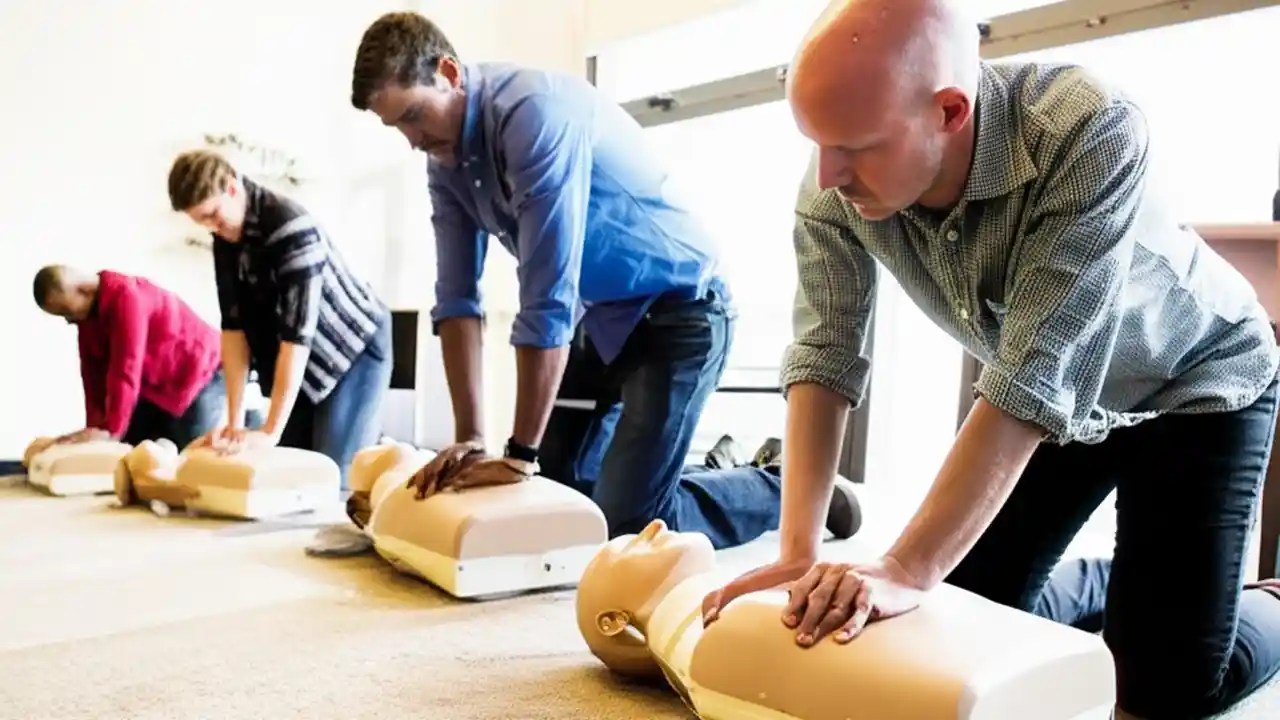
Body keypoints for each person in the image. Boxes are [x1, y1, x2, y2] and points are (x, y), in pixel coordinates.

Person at [700, 1, 1280, 717]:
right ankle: (1119, 582)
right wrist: (798, 548)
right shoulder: (835, 183)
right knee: (953, 620)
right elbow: (824, 354)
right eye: (819, 145)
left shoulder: (1088, 127)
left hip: (1195, 388)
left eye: (856, 147)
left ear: (949, 110)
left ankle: (1264, 597)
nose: (828, 176)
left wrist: (908, 566)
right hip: (1058, 401)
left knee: (1162, 692)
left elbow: (1034, 375)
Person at [347, 11, 859, 550]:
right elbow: (455, 301)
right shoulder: (444, 161)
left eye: (413, 116)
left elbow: (547, 297)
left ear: (448, 73)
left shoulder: (531, 114)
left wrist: (518, 454)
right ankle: (711, 467)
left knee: (624, 528)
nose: (411, 139)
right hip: (606, 320)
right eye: (397, 127)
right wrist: (471, 440)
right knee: (559, 504)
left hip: (682, 313)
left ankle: (789, 484)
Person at [167, 149, 393, 488]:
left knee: (332, 477)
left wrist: (271, 430)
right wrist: (234, 422)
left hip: (350, 352)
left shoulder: (289, 227)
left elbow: (296, 337)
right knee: (285, 477)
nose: (211, 227)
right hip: (296, 359)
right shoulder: (225, 239)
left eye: (213, 215)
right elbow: (233, 330)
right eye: (201, 221)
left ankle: (378, 458)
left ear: (231, 187)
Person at [32, 264, 225, 448]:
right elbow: (92, 375)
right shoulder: (86, 316)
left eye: (68, 312)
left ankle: (249, 419)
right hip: (155, 386)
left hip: (199, 374)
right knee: (131, 451)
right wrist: (94, 430)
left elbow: (125, 368)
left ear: (84, 290)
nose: (69, 319)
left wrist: (112, 431)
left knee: (188, 458)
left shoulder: (128, 297)